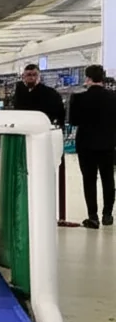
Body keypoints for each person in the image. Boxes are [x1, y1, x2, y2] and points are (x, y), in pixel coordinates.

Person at [68, 65, 116, 228]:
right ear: (102, 78)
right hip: (108, 144)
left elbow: (73, 121)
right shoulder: (113, 97)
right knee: (108, 179)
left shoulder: (78, 98)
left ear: (87, 79)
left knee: (89, 180)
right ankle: (108, 214)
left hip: (86, 145)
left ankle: (93, 216)